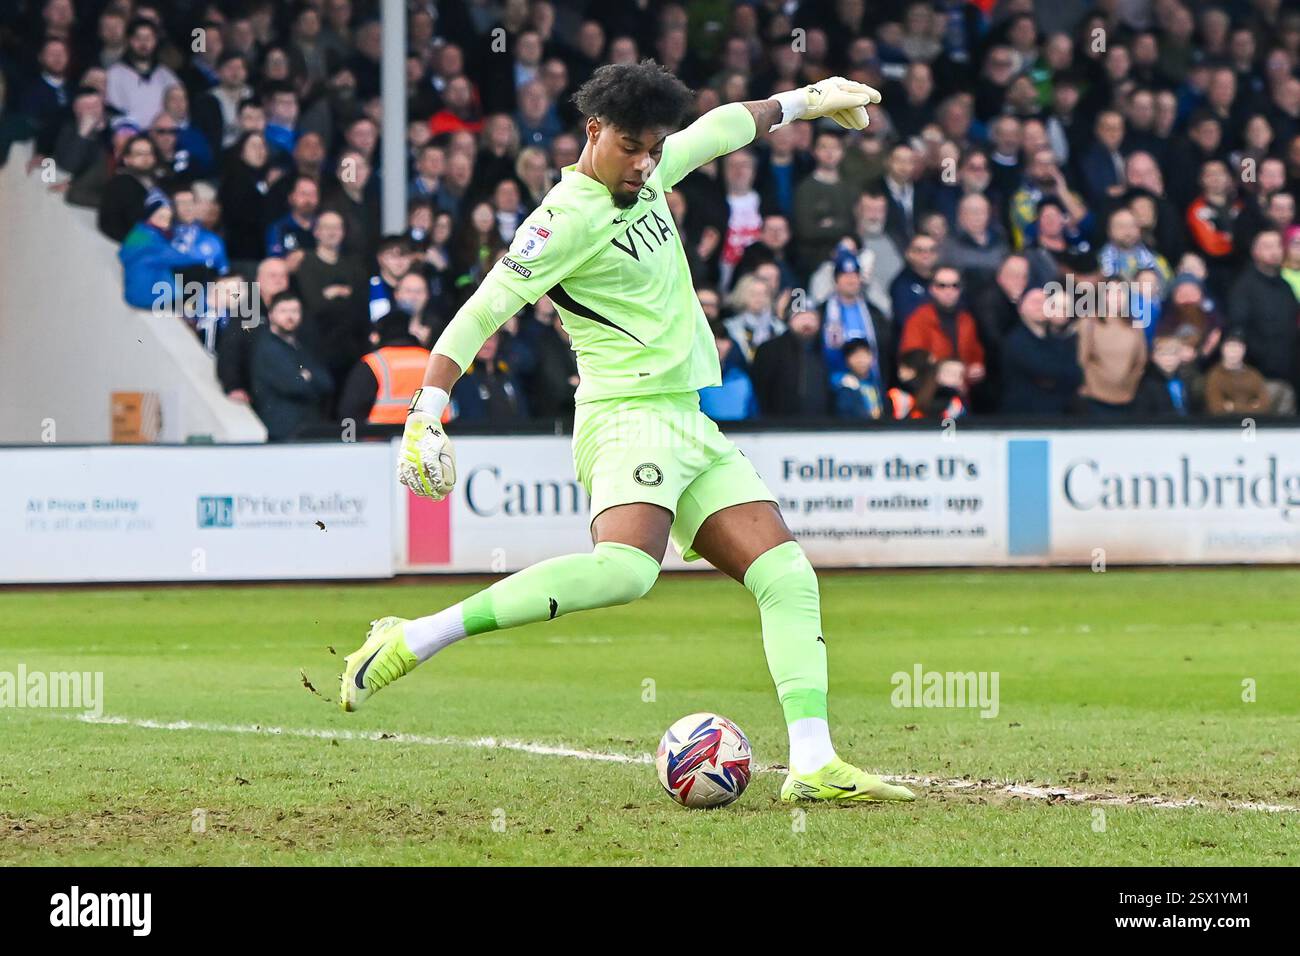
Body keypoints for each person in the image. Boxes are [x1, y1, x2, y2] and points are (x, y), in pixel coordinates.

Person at [338, 62, 914, 804]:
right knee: (626, 572)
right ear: (594, 132)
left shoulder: (646, 171)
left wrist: (803, 102)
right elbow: (481, 311)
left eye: (654, 150)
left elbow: (719, 128)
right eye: (633, 147)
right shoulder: (562, 218)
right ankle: (415, 637)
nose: (646, 163)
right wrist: (426, 410)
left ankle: (813, 763)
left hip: (685, 417)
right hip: (625, 416)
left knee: (786, 576)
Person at [249, 291, 335, 441]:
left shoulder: (302, 346)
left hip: (305, 430)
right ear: (271, 315)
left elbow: (327, 382)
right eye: (283, 311)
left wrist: (307, 376)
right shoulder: (268, 348)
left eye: (294, 311)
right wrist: (306, 376)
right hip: (282, 433)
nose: (290, 316)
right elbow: (296, 385)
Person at [336, 310, 431, 426]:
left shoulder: (374, 363)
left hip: (383, 438)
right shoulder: (432, 360)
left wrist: (350, 440)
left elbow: (350, 410)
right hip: (435, 437)